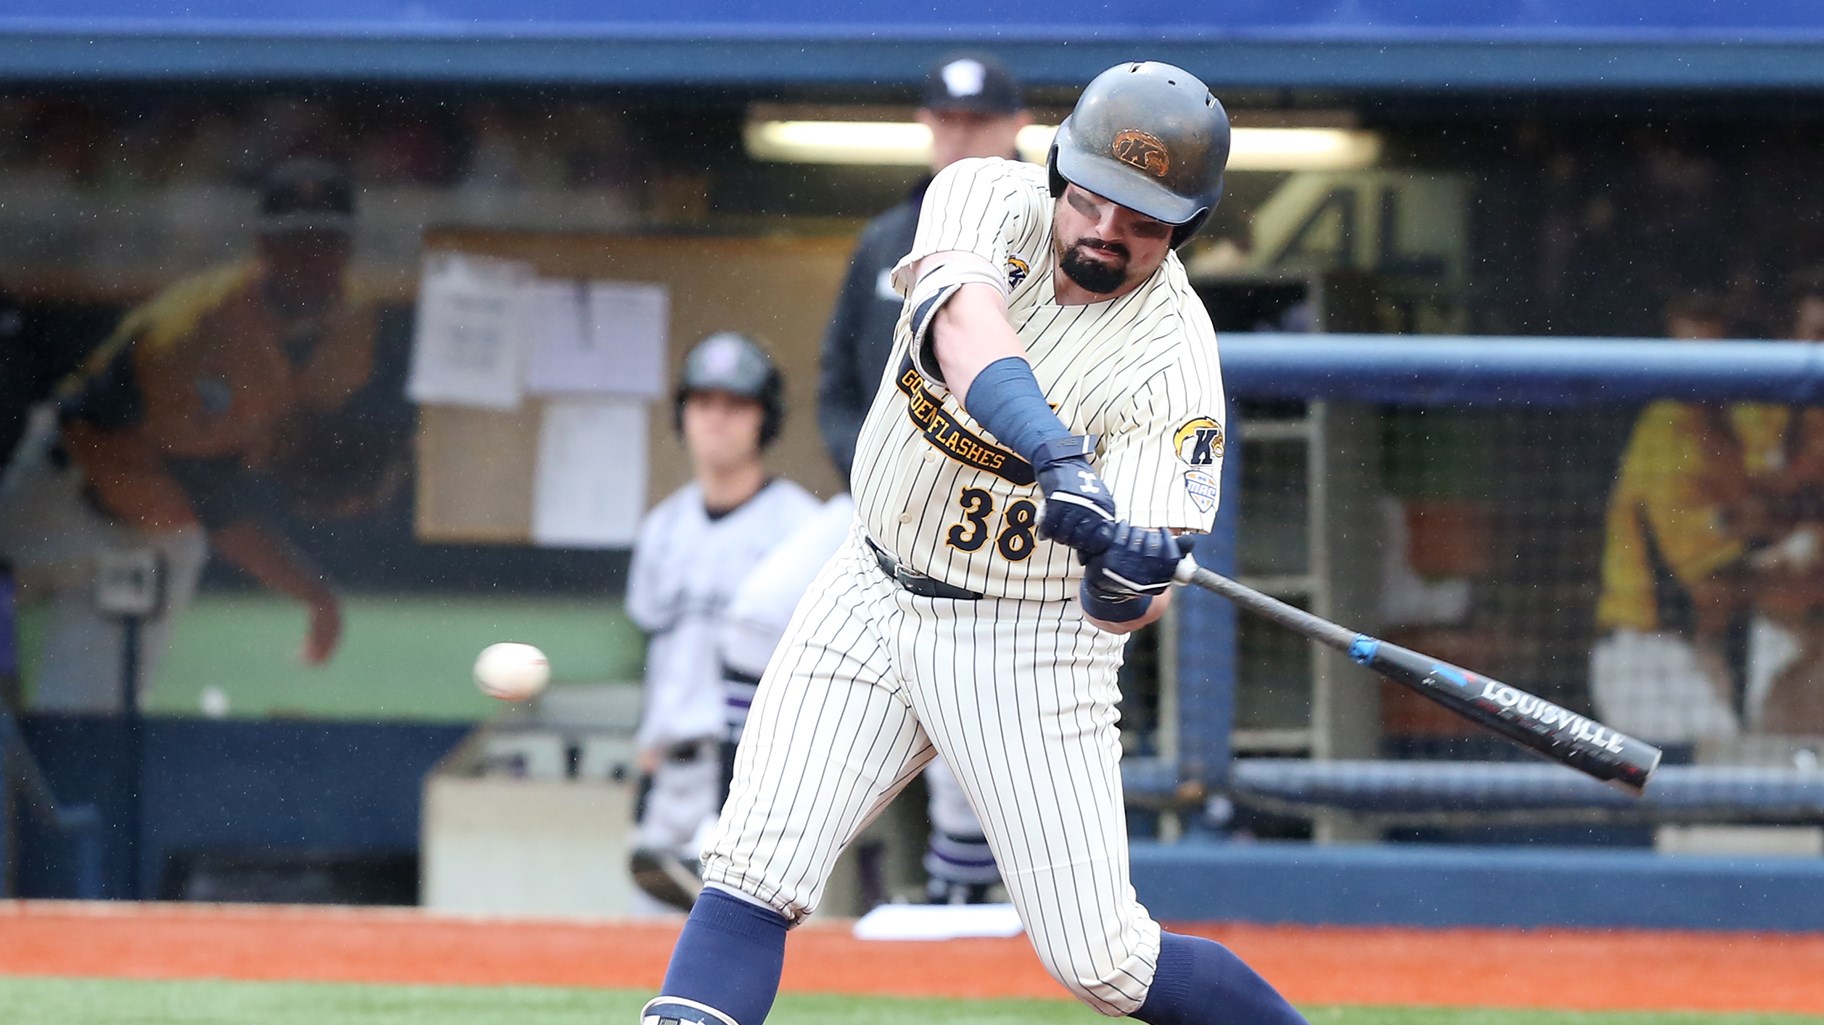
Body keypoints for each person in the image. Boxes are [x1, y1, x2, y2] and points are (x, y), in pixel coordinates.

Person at [642, 61, 1308, 1025]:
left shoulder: (1174, 358)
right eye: (1092, 198)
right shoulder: (982, 193)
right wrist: (1057, 457)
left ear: (1186, 229)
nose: (1105, 233)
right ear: (1056, 173)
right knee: (751, 866)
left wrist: (1120, 572)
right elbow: (962, 326)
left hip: (1025, 640)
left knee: (1104, 962)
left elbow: (1131, 605)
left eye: (1143, 219)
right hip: (870, 589)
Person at [0, 157, 380, 712]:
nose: (314, 258)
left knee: (90, 727)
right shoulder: (193, 330)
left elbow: (303, 424)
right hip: (56, 502)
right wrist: (313, 591)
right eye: (296, 240)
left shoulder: (353, 321)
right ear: (264, 246)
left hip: (155, 539)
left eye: (329, 241)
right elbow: (214, 500)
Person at [816, 51, 1031, 906]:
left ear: (1016, 126)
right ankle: (720, 813)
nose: (962, 135)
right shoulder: (886, 237)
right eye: (948, 120)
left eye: (978, 121)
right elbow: (835, 379)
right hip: (877, 502)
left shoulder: (1056, 232)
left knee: (959, 676)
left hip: (995, 508)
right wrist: (864, 477)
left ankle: (966, 882)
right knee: (758, 605)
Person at [624, 332, 818, 914]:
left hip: (757, 781)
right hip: (672, 783)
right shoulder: (662, 527)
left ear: (765, 418)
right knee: (644, 961)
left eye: (736, 405)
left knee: (746, 954)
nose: (717, 419)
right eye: (704, 402)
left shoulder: (801, 529)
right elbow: (657, 655)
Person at [1589, 289, 1824, 749]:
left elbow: (1776, 490)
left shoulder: (1739, 423)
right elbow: (1709, 580)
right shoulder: (1668, 429)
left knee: (1739, 783)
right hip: (1648, 654)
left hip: (1703, 652)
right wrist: (1798, 552)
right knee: (1720, 787)